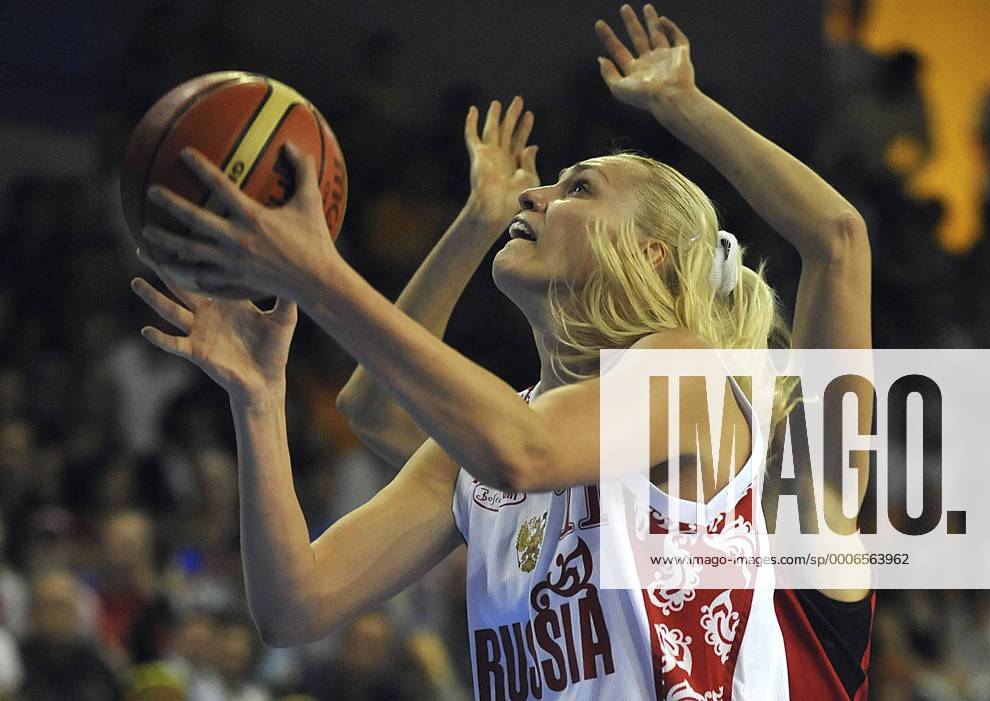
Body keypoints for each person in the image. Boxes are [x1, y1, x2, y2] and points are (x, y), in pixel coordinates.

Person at [132, 4, 873, 699]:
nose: (534, 197)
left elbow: (521, 449)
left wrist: (320, 277)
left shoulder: (685, 377)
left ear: (647, 255)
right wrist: (258, 402)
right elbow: (295, 606)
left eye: (576, 187)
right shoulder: (475, 457)